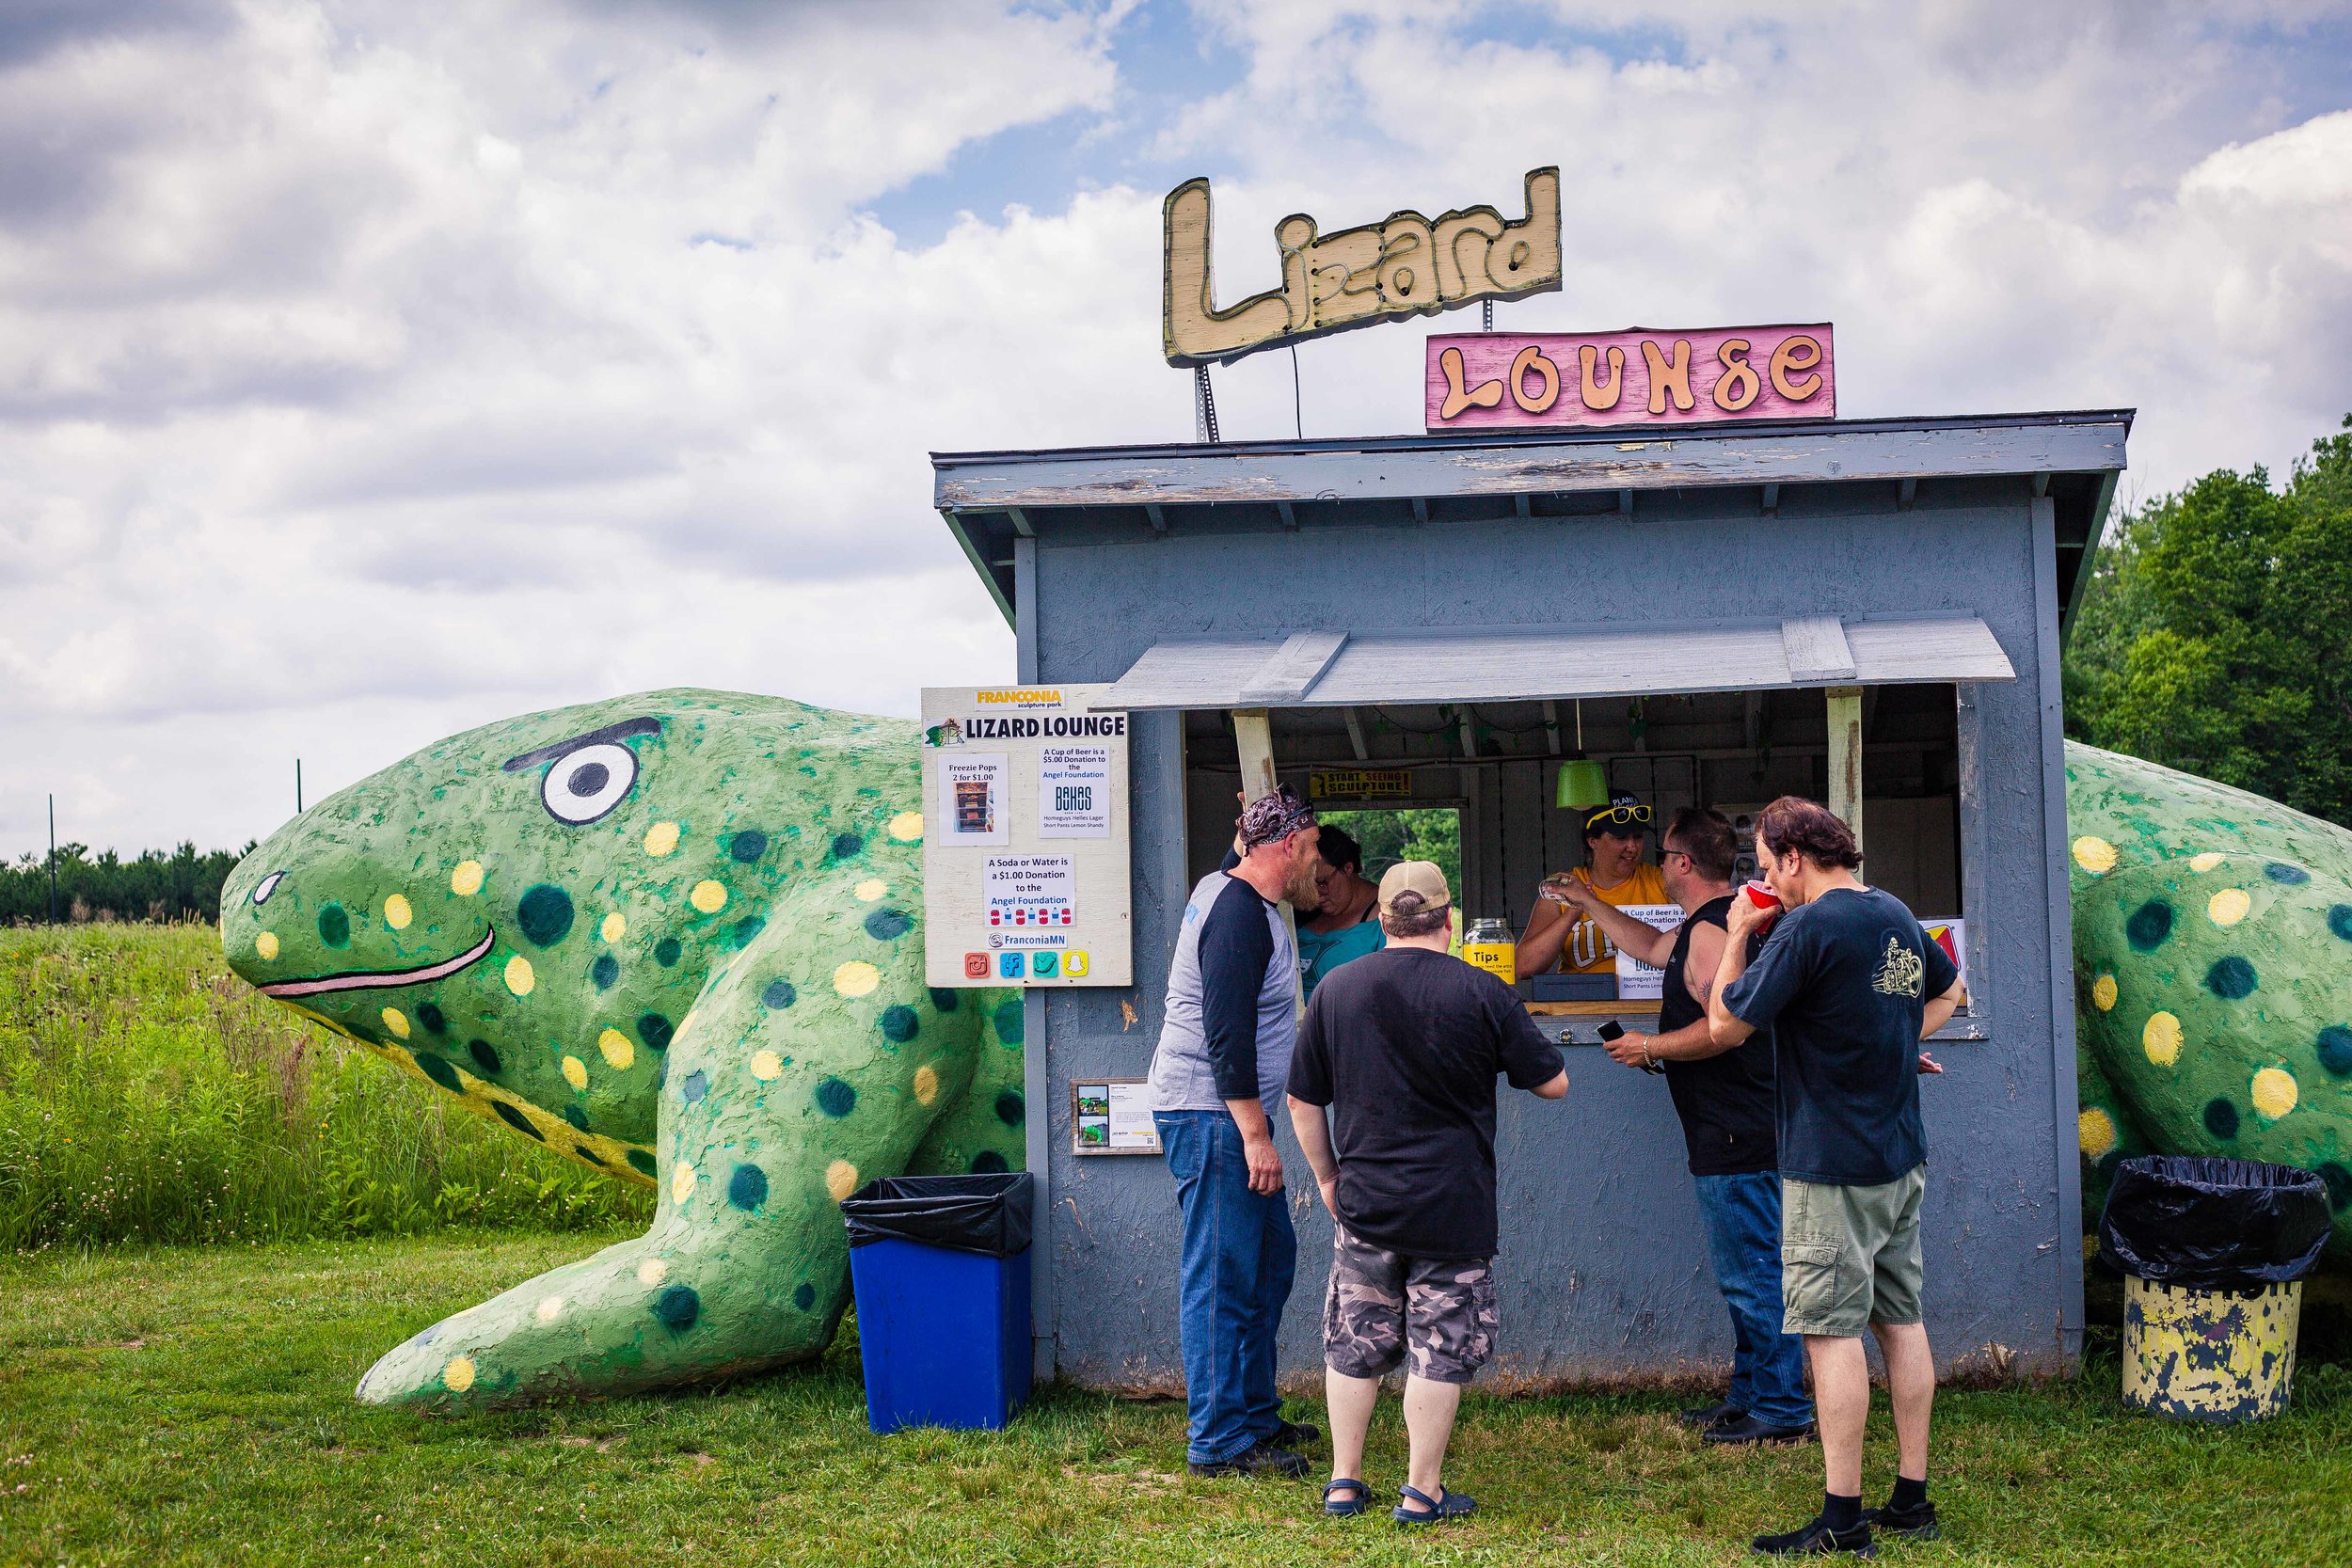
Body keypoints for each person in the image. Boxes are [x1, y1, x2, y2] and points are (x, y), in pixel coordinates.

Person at [1705, 798, 1963, 1556]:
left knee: (1828, 1334)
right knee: (1902, 1322)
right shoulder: (1894, 910)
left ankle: (1843, 1519)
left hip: (1831, 1167)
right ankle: (1911, 1499)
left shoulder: (1806, 924)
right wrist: (1890, 1041)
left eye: (1763, 863)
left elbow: (1726, 1024)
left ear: (1793, 857)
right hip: (1898, 1158)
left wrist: (1735, 935)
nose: (1763, 880)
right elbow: (1948, 990)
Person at [1287, 862, 1569, 1524]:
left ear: (1381, 922)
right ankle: (1421, 1492)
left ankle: (1344, 1482)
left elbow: (1303, 1099)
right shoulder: (1483, 990)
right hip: (1454, 1208)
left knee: (1355, 1342)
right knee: (1439, 1348)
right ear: (1450, 921)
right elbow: (1553, 1081)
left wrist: (1328, 1178)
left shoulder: (1337, 989)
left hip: (1365, 1204)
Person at [1557, 807, 1813, 1445]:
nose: (1655, 861)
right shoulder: (1715, 923)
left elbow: (1721, 1030)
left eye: (1664, 853)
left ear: (1682, 863)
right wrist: (1587, 899)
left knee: (1755, 1272)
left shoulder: (1712, 933)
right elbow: (1646, 944)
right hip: (1731, 1126)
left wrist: (1651, 1047)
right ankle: (1749, 1393)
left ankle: (1781, 1408)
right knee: (1744, 1273)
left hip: (1737, 1127)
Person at [1147, 784, 1328, 1478]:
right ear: (1286, 847)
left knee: (1266, 1262)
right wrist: (1256, 1133)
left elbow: (1245, 843)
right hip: (1214, 1114)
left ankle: (1253, 1414)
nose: (1318, 863)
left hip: (1223, 1114)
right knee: (1223, 1272)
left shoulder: (1233, 885)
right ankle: (1220, 1440)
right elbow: (1228, 1035)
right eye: (1311, 849)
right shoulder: (1239, 917)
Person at [1518, 793, 1670, 978]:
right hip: (1581, 1001)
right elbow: (1522, 967)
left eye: (1637, 837)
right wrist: (1573, 913)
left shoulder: (1663, 881)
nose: (1632, 847)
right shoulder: (1564, 888)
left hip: (1649, 1001)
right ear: (1593, 841)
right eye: (1620, 837)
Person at [1295, 825, 1384, 997]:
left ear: (1347, 868)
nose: (1315, 893)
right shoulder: (1302, 911)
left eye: (1322, 882)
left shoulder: (1387, 916)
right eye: (1308, 885)